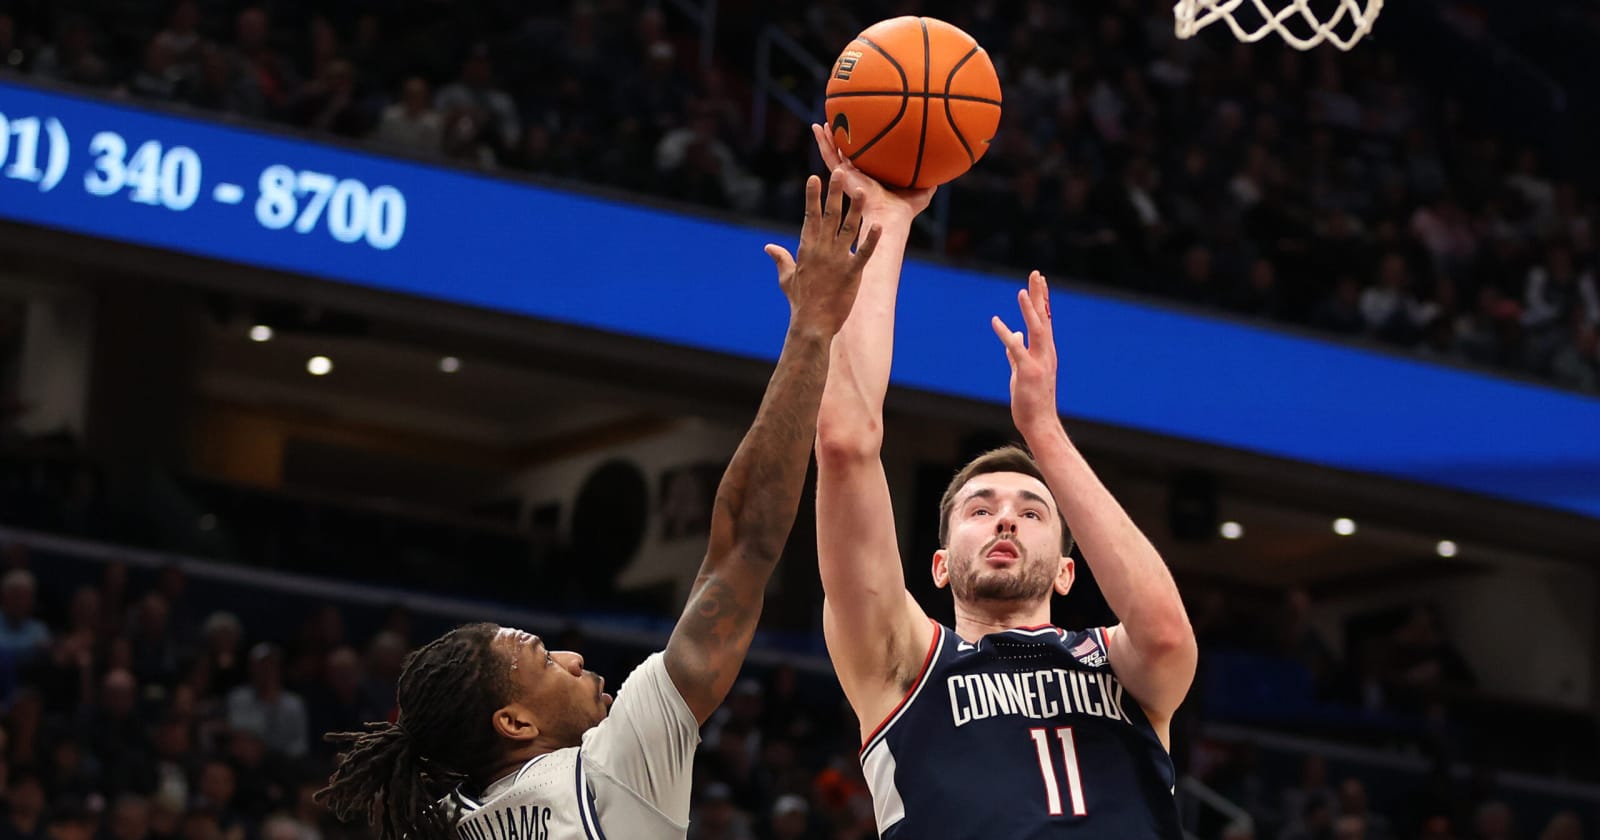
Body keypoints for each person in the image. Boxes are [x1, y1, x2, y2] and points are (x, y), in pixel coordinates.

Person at [315, 172, 882, 840]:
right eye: (546, 658)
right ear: (515, 723)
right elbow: (745, 544)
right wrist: (813, 330)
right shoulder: (614, 766)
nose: (575, 658)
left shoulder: (438, 827)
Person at [808, 126, 1197, 839]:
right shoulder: (900, 661)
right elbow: (843, 443)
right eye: (979, 509)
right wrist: (888, 226)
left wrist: (1043, 432)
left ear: (1069, 572)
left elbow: (1169, 634)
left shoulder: (1123, 666)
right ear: (939, 563)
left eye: (1032, 511)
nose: (1006, 520)